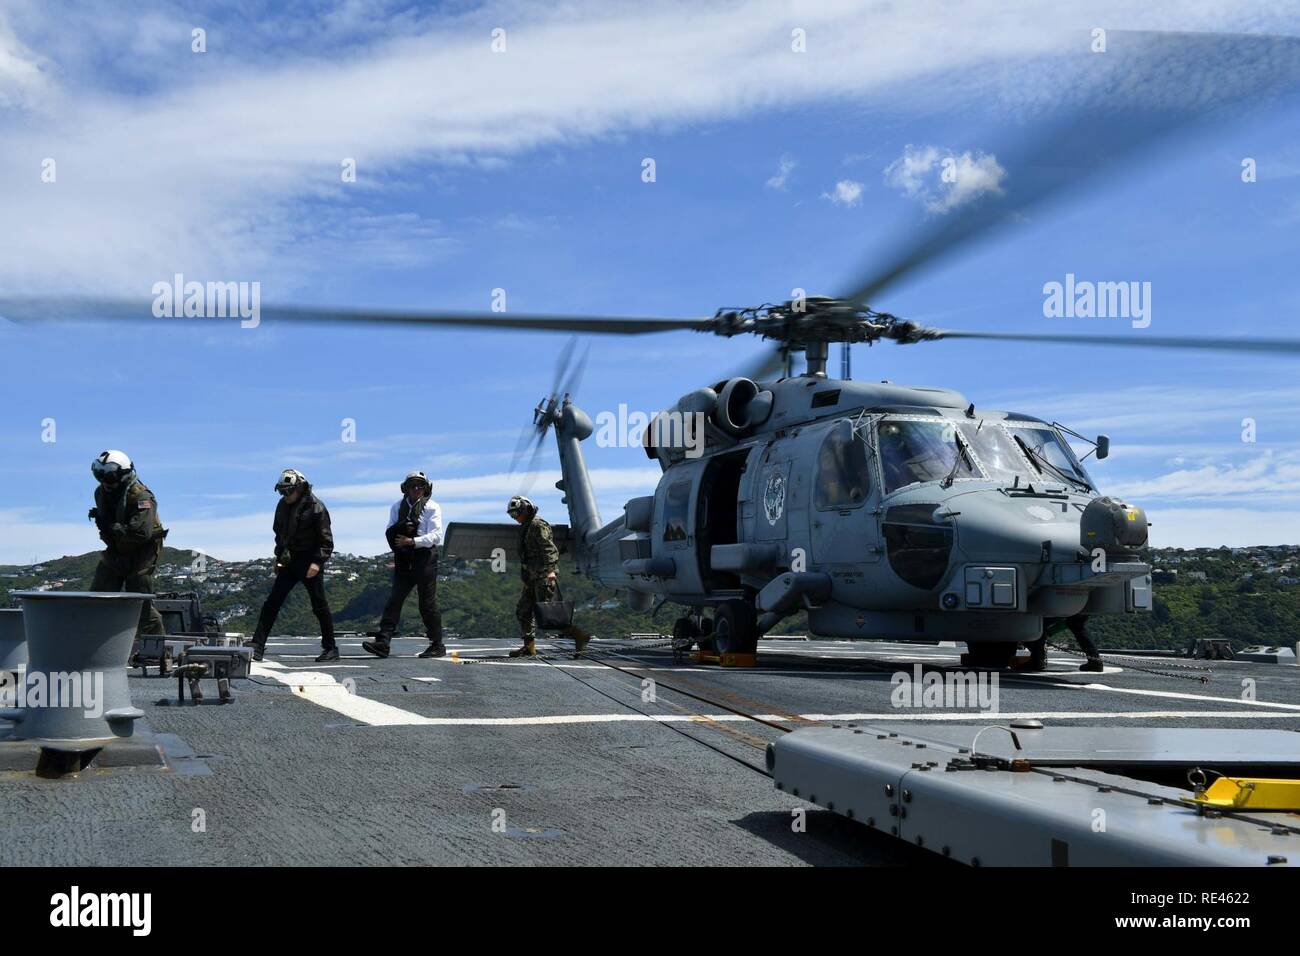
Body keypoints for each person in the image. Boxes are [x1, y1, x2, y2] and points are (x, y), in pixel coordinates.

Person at [246, 469, 337, 663]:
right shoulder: (282, 506)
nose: (285, 495)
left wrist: (317, 563)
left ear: (300, 488)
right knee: (272, 603)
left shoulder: (317, 508)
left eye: (288, 491)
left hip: (310, 561)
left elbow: (326, 541)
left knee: (319, 605)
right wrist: (279, 558)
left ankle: (331, 648)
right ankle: (258, 644)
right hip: (289, 561)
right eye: (282, 491)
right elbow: (279, 535)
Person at [362, 471, 446, 659]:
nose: (416, 489)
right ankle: (383, 642)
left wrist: (412, 541)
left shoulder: (432, 507)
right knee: (394, 600)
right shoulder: (397, 507)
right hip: (403, 557)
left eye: (420, 486)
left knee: (427, 603)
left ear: (426, 488)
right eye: (413, 485)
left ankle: (437, 644)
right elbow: (390, 529)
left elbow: (436, 536)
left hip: (424, 557)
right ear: (405, 488)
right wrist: (401, 532)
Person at [88, 450, 167, 639]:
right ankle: (95, 641)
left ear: (123, 475)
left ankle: (155, 649)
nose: (105, 482)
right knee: (96, 599)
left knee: (139, 601)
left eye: (110, 476)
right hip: (117, 549)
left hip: (143, 551)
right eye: (100, 476)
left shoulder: (141, 497)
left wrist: (120, 529)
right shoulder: (101, 493)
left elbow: (142, 532)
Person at [506, 495, 590, 658]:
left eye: (517, 513)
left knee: (550, 616)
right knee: (523, 611)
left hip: (543, 577)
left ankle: (579, 636)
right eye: (512, 515)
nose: (515, 518)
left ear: (526, 509)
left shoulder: (538, 525)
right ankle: (529, 647)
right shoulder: (526, 526)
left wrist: (551, 571)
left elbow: (549, 550)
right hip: (532, 579)